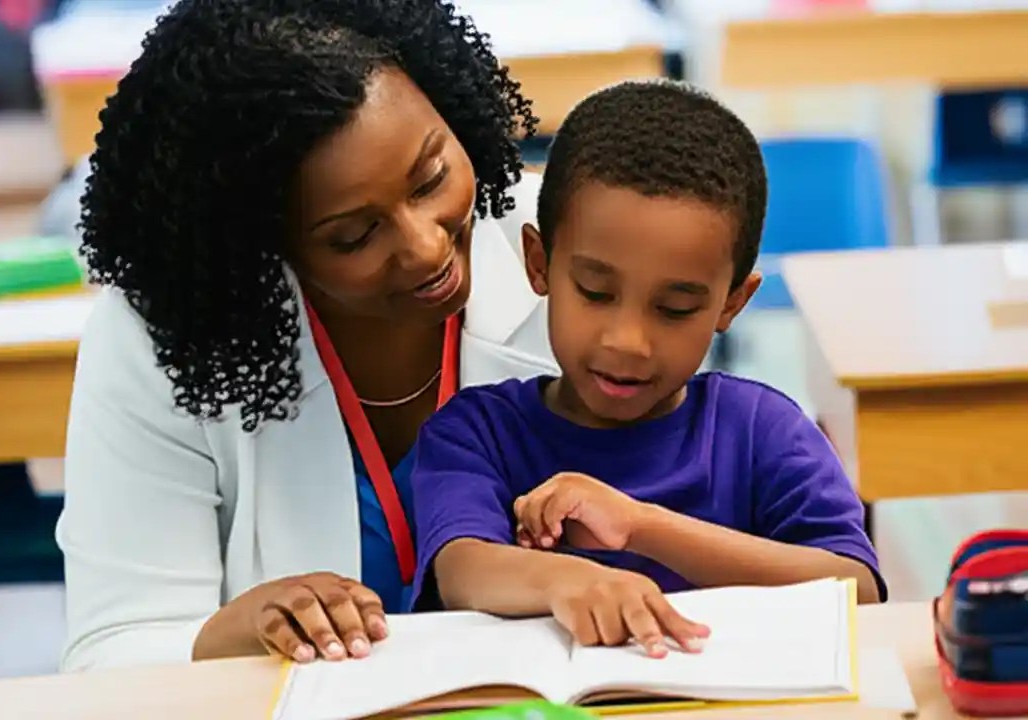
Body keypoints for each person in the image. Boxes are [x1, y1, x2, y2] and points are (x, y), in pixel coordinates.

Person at [57, 0, 553, 671]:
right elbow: (109, 657)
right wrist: (238, 631)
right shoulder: (163, 335)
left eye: (432, 177)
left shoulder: (570, 243)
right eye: (354, 236)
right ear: (264, 245)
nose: (426, 246)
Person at [409, 80, 886, 660]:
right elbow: (463, 572)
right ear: (539, 264)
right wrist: (573, 583)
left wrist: (640, 527)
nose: (628, 342)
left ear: (731, 304)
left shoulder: (763, 430)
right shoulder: (478, 430)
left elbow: (855, 591)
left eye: (675, 309)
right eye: (594, 291)